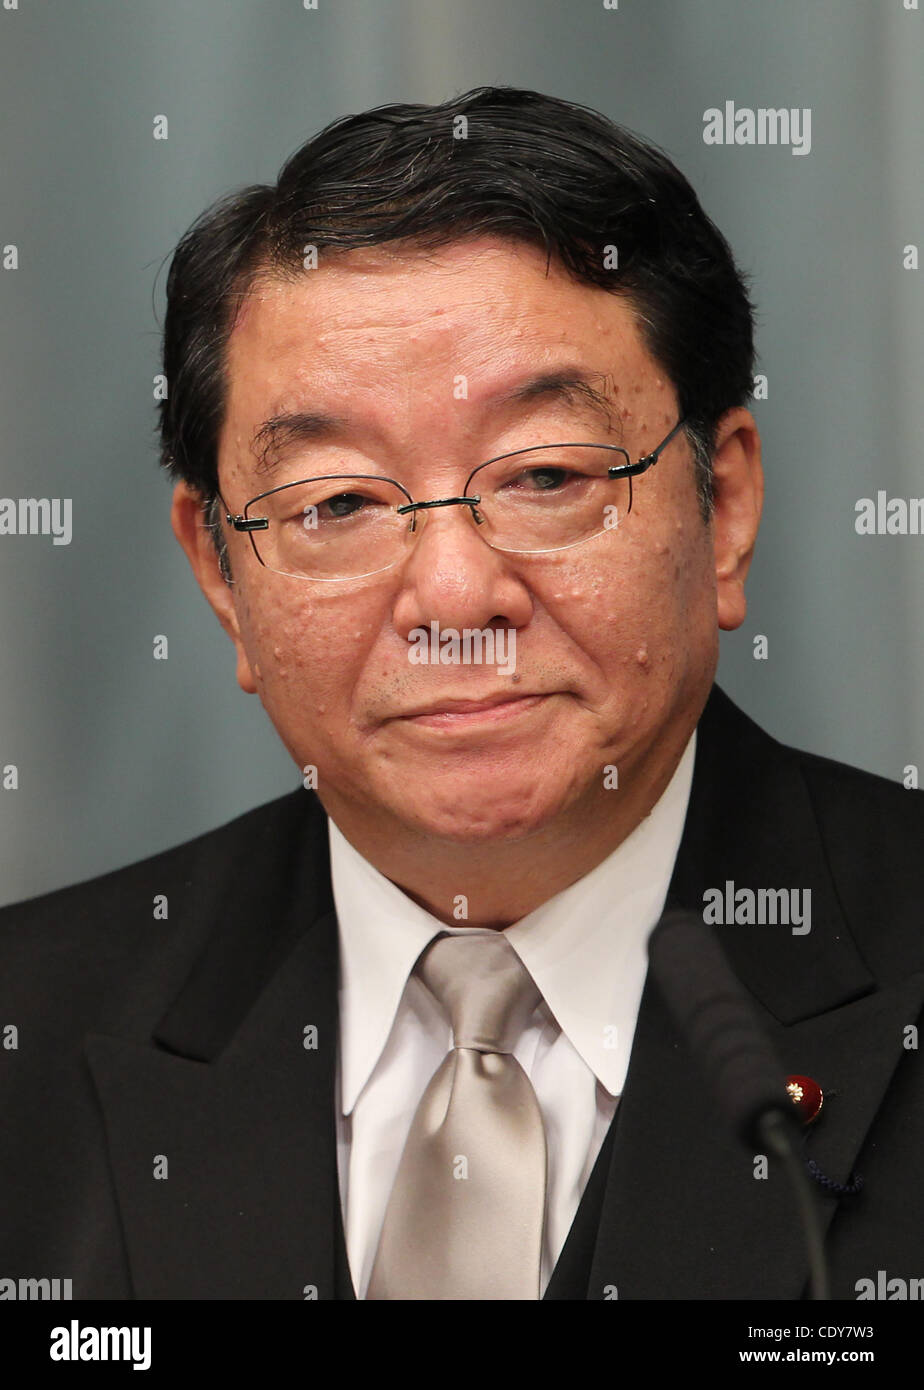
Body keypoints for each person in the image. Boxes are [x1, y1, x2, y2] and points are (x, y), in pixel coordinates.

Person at [1, 86, 922, 1303]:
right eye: (337, 503)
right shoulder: (33, 1026)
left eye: (545, 474)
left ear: (726, 505)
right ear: (220, 571)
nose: (451, 595)